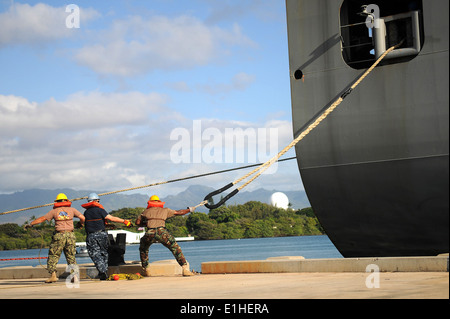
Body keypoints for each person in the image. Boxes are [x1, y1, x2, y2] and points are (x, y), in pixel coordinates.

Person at [25, 193, 85, 283]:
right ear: (66, 200)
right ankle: (75, 277)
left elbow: (42, 219)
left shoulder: (54, 211)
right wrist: (80, 224)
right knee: (71, 256)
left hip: (59, 235)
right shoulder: (72, 210)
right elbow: (83, 218)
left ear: (57, 201)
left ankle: (53, 276)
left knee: (53, 256)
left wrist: (31, 224)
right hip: (70, 235)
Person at [135, 195, 195, 277]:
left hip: (150, 232)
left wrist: (146, 223)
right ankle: (185, 268)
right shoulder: (165, 210)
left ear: (150, 203)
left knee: (143, 249)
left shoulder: (145, 212)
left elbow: (137, 223)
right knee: (174, 247)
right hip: (162, 232)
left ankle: (146, 269)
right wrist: (190, 209)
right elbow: (179, 212)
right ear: (159, 202)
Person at [81, 193, 132, 280]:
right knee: (104, 253)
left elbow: (87, 223)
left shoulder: (86, 212)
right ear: (96, 201)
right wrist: (124, 221)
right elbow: (111, 218)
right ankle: (104, 271)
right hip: (102, 234)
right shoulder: (100, 210)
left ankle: (102, 272)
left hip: (91, 236)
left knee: (94, 254)